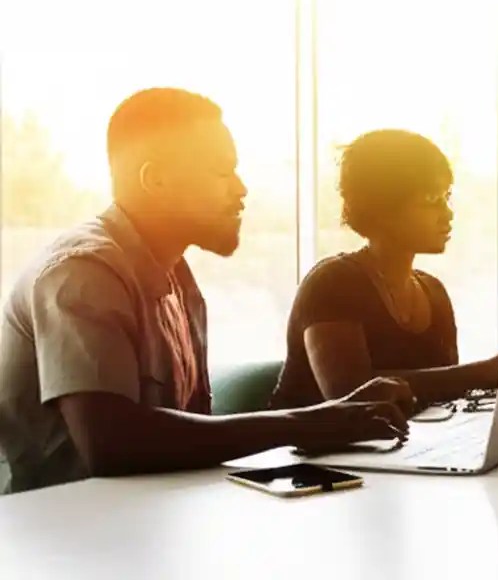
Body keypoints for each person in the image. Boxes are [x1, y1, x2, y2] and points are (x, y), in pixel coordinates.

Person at [0, 89, 412, 495]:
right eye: (222, 171)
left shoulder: (177, 278)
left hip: (151, 515)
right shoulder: (83, 272)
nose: (241, 189)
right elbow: (110, 445)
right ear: (155, 179)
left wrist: (333, 418)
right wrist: (311, 423)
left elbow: (182, 440)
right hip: (69, 529)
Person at [271, 130, 498, 409]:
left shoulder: (434, 292)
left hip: (399, 439)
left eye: (446, 197)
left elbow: (446, 400)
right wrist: (485, 372)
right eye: (431, 199)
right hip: (315, 439)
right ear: (383, 206)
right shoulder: (332, 283)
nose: (447, 213)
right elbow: (350, 397)